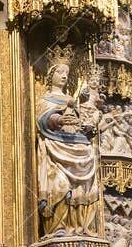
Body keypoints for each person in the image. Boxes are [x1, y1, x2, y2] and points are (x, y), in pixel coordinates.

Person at [35, 51, 101, 237]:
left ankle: (80, 227)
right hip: (56, 149)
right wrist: (59, 119)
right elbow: (42, 119)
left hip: (79, 148)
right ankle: (58, 229)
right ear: (51, 76)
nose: (64, 76)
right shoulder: (46, 99)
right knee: (60, 187)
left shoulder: (73, 101)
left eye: (67, 72)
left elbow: (83, 124)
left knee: (82, 191)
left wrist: (92, 124)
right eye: (60, 72)